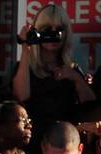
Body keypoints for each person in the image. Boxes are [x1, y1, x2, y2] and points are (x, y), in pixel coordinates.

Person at [12, 4, 94, 135]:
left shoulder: (72, 68)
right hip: (34, 137)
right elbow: (21, 96)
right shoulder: (25, 66)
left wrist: (77, 79)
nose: (54, 34)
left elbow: (91, 107)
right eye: (47, 29)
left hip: (66, 138)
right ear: (37, 31)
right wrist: (26, 48)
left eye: (59, 29)